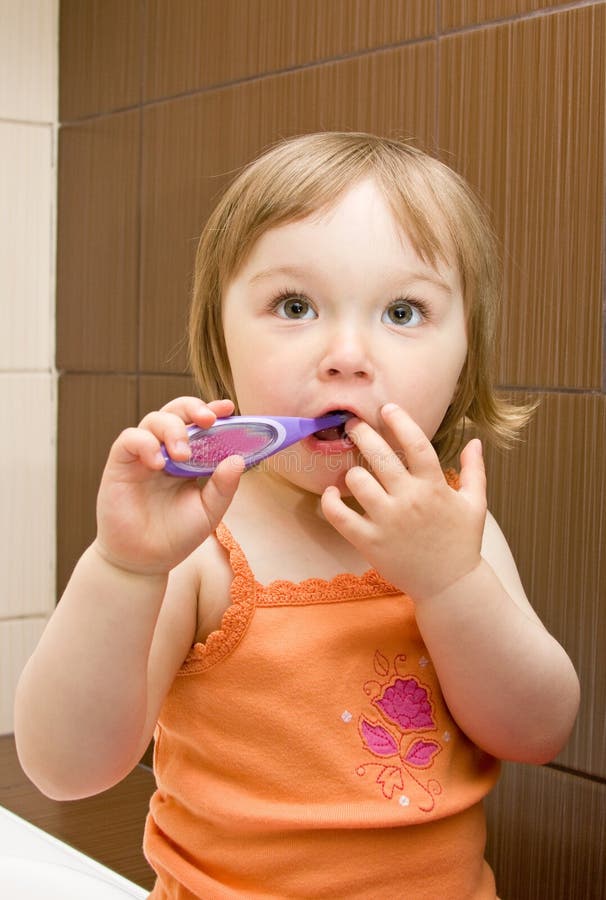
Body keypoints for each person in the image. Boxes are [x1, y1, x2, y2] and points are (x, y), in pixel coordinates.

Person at [15, 133, 580, 899]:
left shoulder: (453, 529)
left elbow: (536, 733)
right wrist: (124, 567)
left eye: (403, 311)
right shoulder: (198, 546)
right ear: (222, 338)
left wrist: (450, 582)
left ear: (463, 363)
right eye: (294, 306)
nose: (346, 354)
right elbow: (66, 768)